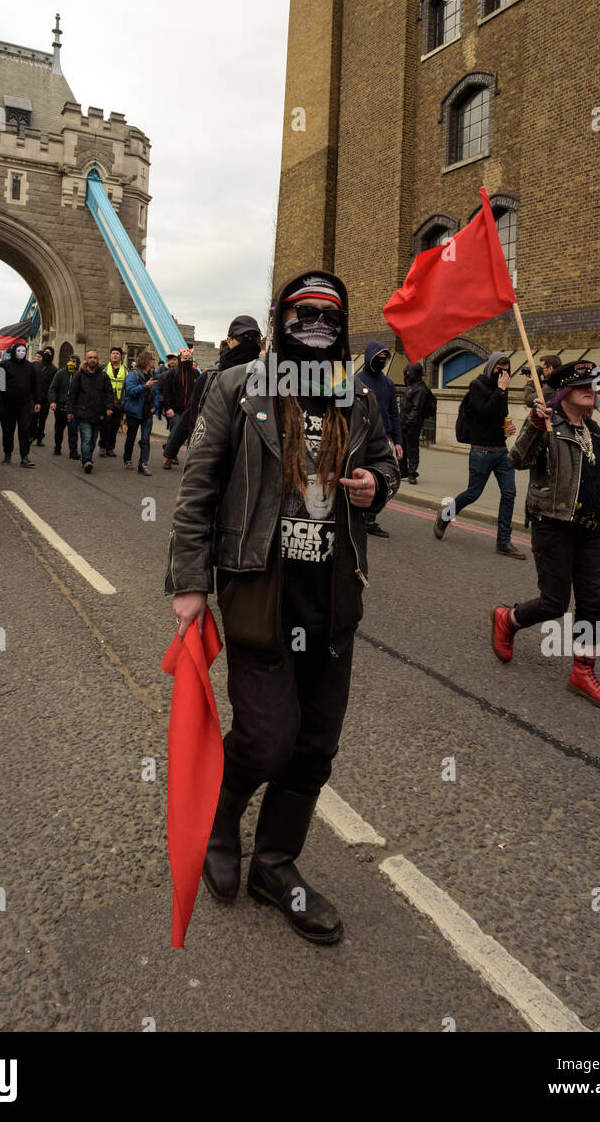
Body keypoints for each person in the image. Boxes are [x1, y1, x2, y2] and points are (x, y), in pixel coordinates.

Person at [167, 272, 400, 945]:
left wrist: (373, 484)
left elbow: (385, 463)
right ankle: (219, 820)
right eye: (303, 313)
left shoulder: (355, 395)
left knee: (314, 747)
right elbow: (199, 487)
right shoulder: (239, 388)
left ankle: (274, 863)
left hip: (332, 595)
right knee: (267, 738)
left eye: (329, 313)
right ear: (282, 318)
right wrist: (189, 583)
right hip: (260, 589)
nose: (316, 324)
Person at [490, 361, 600, 710]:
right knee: (554, 602)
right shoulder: (547, 423)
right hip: (553, 522)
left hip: (591, 528)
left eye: (592, 383)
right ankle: (509, 618)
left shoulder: (593, 430)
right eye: (582, 383)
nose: (590, 388)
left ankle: (583, 672)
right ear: (565, 390)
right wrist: (537, 425)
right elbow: (518, 458)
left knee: (593, 601)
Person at [433, 351, 523, 558]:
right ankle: (445, 516)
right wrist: (500, 390)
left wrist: (506, 427)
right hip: (481, 450)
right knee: (473, 493)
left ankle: (503, 541)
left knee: (509, 494)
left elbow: (500, 413)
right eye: (498, 368)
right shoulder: (477, 385)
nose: (502, 372)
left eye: (506, 369)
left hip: (501, 451)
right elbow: (482, 413)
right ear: (490, 366)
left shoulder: (502, 388)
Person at [168, 318, 263, 459]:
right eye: (243, 337)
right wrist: (172, 450)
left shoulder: (265, 378)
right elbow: (192, 415)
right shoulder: (209, 377)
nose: (249, 342)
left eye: (254, 338)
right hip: (212, 457)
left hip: (251, 458)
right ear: (229, 341)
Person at [355, 341, 403, 536]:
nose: (382, 361)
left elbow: (394, 414)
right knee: (361, 477)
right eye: (378, 358)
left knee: (385, 479)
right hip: (361, 436)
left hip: (385, 438)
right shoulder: (356, 381)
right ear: (369, 357)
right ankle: (358, 517)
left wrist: (398, 441)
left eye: (385, 358)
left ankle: (370, 519)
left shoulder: (388, 384)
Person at [0, 338, 40, 467]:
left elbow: (35, 385)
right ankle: (7, 454)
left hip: (25, 404)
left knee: (25, 430)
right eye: (18, 350)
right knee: (8, 431)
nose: (21, 353)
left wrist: (36, 401)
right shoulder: (3, 365)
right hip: (7, 405)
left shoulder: (30, 366)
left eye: (23, 350)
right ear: (14, 351)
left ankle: (24, 457)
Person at [67, 350, 113, 473]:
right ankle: (87, 461)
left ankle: (87, 458)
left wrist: (109, 407)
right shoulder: (79, 375)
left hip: (98, 414)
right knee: (86, 438)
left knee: (93, 440)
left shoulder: (103, 376)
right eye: (90, 357)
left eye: (95, 358)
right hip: (83, 413)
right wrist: (70, 411)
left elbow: (109, 393)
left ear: (98, 360)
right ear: (86, 359)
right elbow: (72, 394)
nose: (92, 360)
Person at [399, 361, 434, 488]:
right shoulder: (412, 386)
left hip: (412, 425)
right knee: (402, 447)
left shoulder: (420, 389)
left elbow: (416, 409)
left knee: (412, 448)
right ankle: (403, 470)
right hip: (404, 423)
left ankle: (412, 473)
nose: (406, 375)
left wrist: (407, 423)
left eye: (408, 373)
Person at [122, 349, 157, 475]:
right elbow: (130, 390)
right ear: (146, 360)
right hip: (134, 412)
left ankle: (143, 464)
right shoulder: (133, 374)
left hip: (147, 412)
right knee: (131, 437)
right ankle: (127, 459)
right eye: (152, 359)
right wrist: (144, 386)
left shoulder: (152, 375)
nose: (154, 361)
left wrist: (155, 406)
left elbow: (156, 393)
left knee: (146, 440)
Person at [161, 347, 196, 468]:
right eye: (185, 358)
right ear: (181, 359)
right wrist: (167, 408)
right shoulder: (173, 373)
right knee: (176, 431)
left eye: (189, 358)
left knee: (187, 434)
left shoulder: (196, 373)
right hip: (175, 409)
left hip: (190, 410)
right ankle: (168, 457)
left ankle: (170, 450)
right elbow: (166, 392)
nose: (187, 360)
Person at [48, 353, 81, 457]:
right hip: (60, 405)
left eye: (74, 361)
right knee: (59, 429)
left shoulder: (79, 375)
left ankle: (73, 451)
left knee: (73, 430)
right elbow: (53, 388)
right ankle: (57, 447)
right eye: (70, 360)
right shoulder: (60, 373)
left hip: (73, 406)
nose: (71, 363)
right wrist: (53, 401)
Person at [100, 347, 128, 457]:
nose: (115, 355)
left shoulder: (126, 370)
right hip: (106, 403)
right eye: (113, 353)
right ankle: (102, 447)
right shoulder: (104, 369)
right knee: (105, 425)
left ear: (121, 356)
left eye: (117, 353)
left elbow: (127, 387)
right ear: (110, 356)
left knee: (115, 426)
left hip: (119, 403)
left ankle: (110, 448)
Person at [31, 347, 57, 446]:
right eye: (45, 352)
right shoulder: (34, 365)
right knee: (32, 418)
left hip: (45, 399)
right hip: (34, 398)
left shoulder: (54, 369)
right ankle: (33, 434)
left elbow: (54, 386)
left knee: (42, 420)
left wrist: (52, 400)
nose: (47, 354)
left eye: (49, 353)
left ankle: (39, 438)